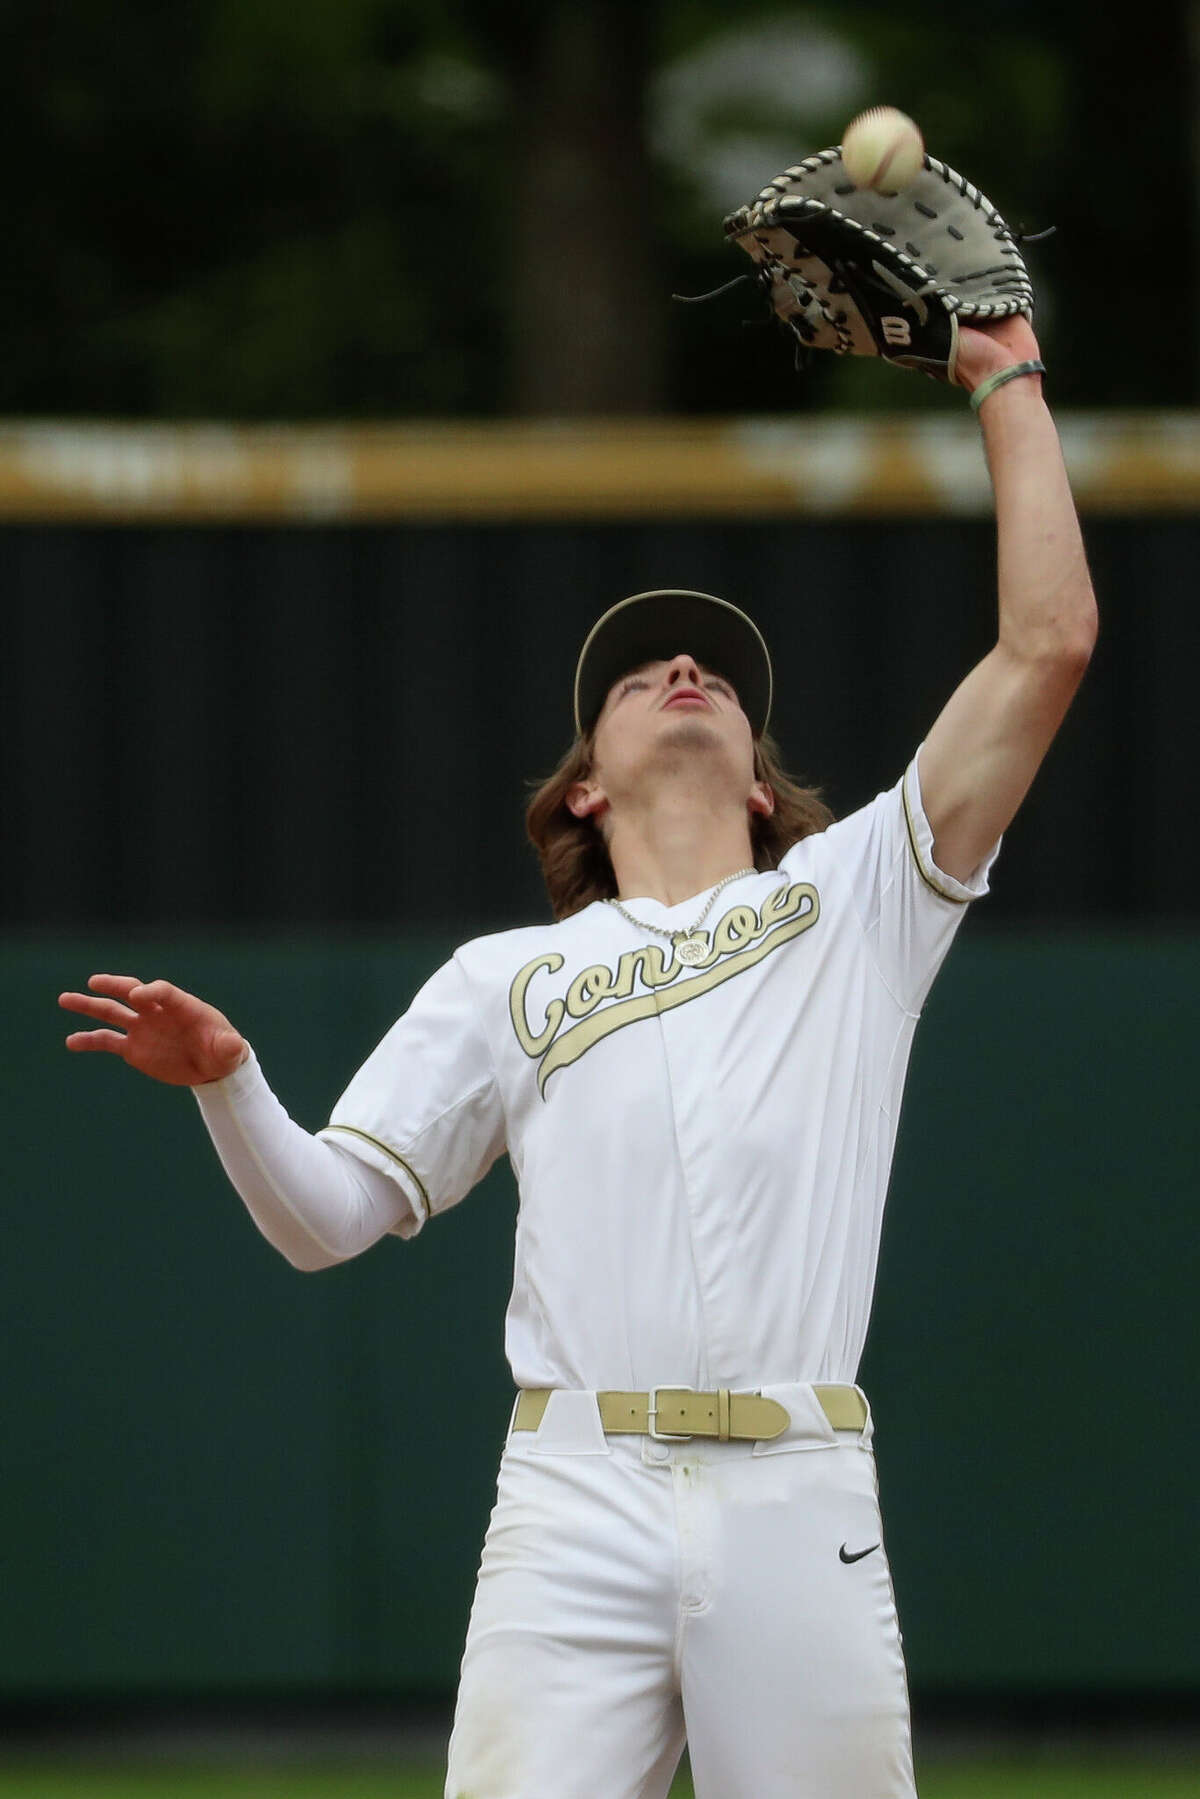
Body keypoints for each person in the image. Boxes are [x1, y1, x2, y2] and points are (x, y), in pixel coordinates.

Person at [60, 315, 1096, 1799]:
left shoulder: (852, 902)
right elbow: (325, 1222)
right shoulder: (508, 977)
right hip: (576, 1490)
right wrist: (232, 1081)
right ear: (587, 792)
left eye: (719, 678)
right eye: (639, 678)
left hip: (797, 1490)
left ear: (761, 784)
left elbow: (1049, 643)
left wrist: (1006, 378)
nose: (685, 667)